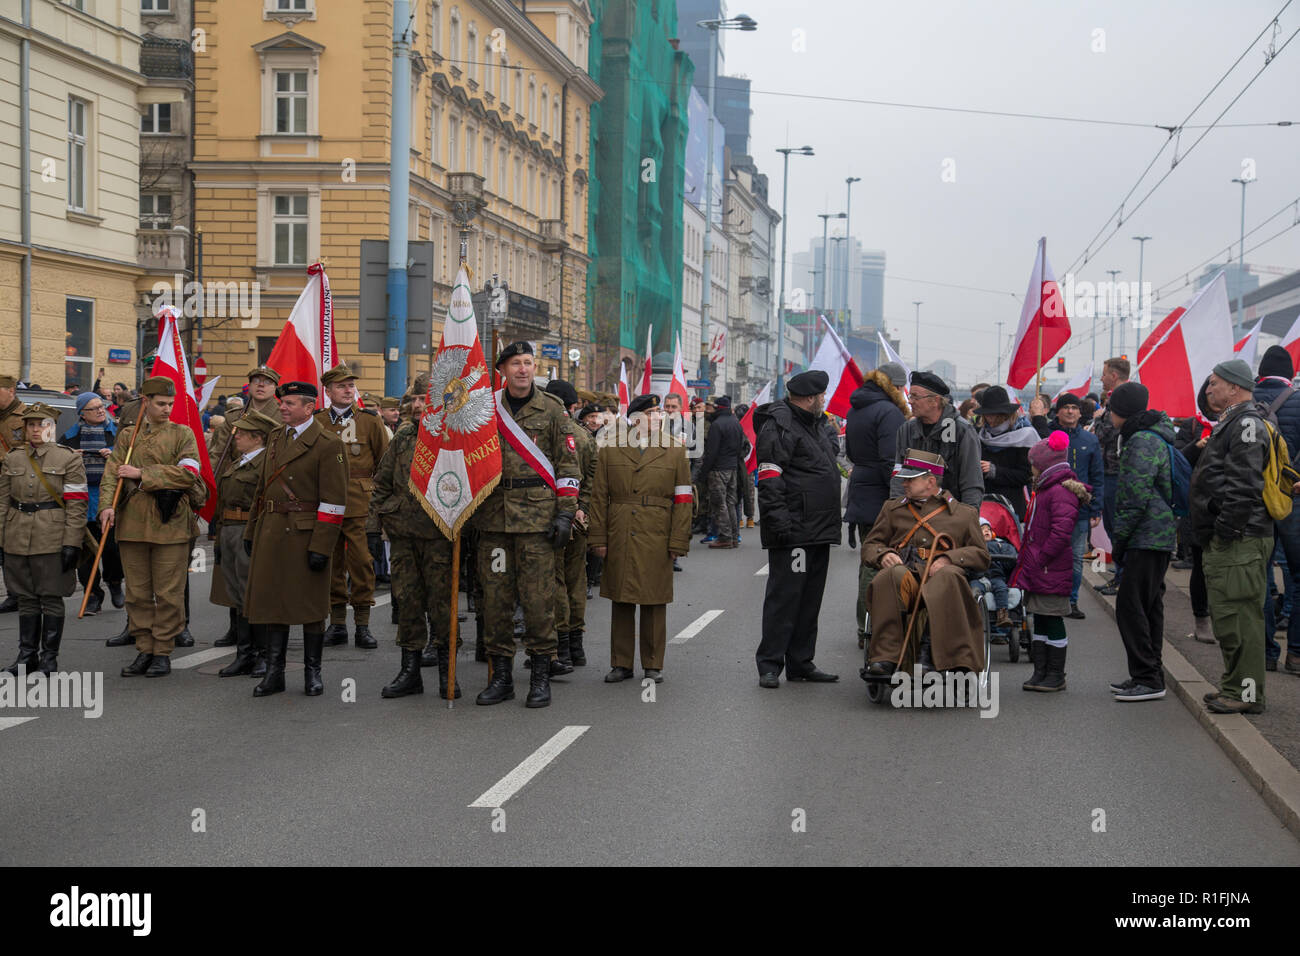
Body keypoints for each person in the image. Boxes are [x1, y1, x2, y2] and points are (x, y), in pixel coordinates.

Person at [472, 341, 579, 708]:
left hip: (537, 520)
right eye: (515, 363)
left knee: (538, 602)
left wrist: (566, 513)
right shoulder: (484, 409)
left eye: (528, 362)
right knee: (496, 602)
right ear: (502, 369)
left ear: (535, 368)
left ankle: (540, 676)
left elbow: (567, 467)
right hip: (495, 520)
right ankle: (501, 677)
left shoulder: (551, 410)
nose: (522, 369)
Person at [243, 381, 349, 697]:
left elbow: (334, 502)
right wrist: (251, 531)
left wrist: (321, 545)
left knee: (310, 607)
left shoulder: (328, 444)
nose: (283, 407)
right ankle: (275, 673)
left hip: (305, 533)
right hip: (272, 530)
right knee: (274, 603)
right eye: (283, 403)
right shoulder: (276, 437)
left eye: (289, 403)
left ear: (308, 407)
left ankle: (312, 673)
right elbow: (261, 491)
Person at [99, 376, 208, 679]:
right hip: (132, 523)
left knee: (169, 594)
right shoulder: (126, 437)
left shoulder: (182, 433)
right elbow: (112, 474)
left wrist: (143, 473)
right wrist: (106, 506)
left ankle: (162, 651)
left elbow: (188, 474)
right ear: (146, 402)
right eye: (161, 403)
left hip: (170, 524)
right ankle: (144, 648)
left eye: (170, 404)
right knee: (137, 594)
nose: (167, 409)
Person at [587, 393, 691, 683]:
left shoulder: (674, 450)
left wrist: (678, 541)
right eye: (653, 412)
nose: (659, 416)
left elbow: (684, 499)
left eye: (659, 412)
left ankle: (653, 663)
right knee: (621, 599)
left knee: (654, 601)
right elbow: (598, 498)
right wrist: (598, 537)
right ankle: (621, 663)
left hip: (658, 531)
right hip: (619, 530)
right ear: (635, 419)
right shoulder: (610, 449)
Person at [862, 449, 990, 676]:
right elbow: (870, 546)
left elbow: (981, 554)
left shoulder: (963, 514)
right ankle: (885, 658)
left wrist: (948, 558)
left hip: (944, 581)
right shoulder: (892, 509)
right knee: (889, 576)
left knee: (946, 576)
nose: (904, 485)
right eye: (904, 480)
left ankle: (931, 656)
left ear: (931, 481)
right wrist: (882, 554)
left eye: (910, 480)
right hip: (906, 578)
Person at [1192, 360, 1273, 714]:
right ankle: (1236, 686)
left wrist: (1225, 530)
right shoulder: (1237, 421)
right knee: (1231, 615)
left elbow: (1244, 487)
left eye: (1214, 384)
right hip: (1236, 537)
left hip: (1239, 539)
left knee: (1239, 617)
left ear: (1235, 388)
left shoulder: (1246, 425)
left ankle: (1246, 693)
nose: (1209, 390)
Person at [371, 372, 458, 699]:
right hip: (403, 533)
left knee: (441, 605)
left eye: (426, 399)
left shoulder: (453, 437)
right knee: (407, 602)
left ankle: (447, 672)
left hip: (439, 535)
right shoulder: (405, 435)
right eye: (415, 400)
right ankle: (410, 670)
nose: (419, 405)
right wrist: (378, 521)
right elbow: (381, 482)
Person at [753, 370, 842, 687]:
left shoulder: (816, 424)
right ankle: (770, 664)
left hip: (818, 529)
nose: (825, 400)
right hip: (794, 532)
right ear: (810, 398)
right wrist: (780, 523)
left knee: (809, 600)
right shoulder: (781, 425)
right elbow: (769, 477)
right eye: (822, 396)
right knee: (785, 599)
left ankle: (801, 662)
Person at [0, 404, 87, 675]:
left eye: (42, 425)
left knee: (50, 597)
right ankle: (27, 656)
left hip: (52, 535)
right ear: (25, 428)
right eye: (31, 425)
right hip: (16, 534)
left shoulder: (68, 459)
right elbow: (2, 501)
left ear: (52, 428)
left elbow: (76, 504)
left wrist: (72, 542)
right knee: (25, 597)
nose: (36, 430)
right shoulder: (12, 458)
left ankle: (49, 657)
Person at [1106, 383, 1176, 701]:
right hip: (1155, 534)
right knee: (1148, 605)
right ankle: (1149, 673)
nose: (1108, 414)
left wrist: (1120, 539)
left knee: (1131, 606)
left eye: (1112, 408)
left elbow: (1134, 496)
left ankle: (1148, 678)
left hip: (1147, 535)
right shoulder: (1150, 435)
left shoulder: (1141, 441)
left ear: (1123, 411)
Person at [315, 362, 390, 649]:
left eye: (351, 385)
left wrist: (380, 506)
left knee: (361, 563)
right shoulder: (318, 422)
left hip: (360, 503)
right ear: (329, 391)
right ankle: (336, 624)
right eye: (341, 386)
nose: (348, 390)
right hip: (326, 503)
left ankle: (362, 624)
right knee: (331, 563)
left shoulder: (370, 421)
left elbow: (384, 465)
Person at [1011, 431, 1089, 692]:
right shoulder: (1046, 489)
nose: (1030, 467)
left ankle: (1056, 674)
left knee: (1053, 618)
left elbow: (1060, 532)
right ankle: (1041, 670)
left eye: (1033, 463)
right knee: (1041, 618)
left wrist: (1040, 558)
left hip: (1049, 567)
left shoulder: (1059, 491)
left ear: (1043, 464)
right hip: (1040, 567)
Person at [844, 362, 909, 647]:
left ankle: (866, 623)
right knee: (881, 561)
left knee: (868, 559)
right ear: (893, 386)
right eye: (901, 387)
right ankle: (870, 626)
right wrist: (898, 500)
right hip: (881, 495)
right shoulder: (888, 412)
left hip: (861, 489)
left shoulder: (856, 407)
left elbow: (850, 451)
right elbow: (890, 460)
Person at [209, 409, 277, 678]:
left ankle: (262, 655)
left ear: (258, 437)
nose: (236, 437)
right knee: (238, 595)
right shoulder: (238, 462)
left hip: (251, 531)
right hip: (230, 530)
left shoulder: (266, 464)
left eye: (242, 433)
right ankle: (244, 654)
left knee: (254, 596)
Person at [1252, 345, 1300, 676]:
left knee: (1260, 576)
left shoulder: (1246, 402)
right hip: (1293, 499)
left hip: (1254, 500)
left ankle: (1266, 652)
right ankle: (1296, 654)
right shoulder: (1298, 399)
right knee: (1298, 575)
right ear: (1291, 373)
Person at [545, 379, 597, 672]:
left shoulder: (549, 433)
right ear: (574, 406)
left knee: (555, 582)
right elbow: (591, 480)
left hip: (552, 515)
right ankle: (576, 647)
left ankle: (559, 647)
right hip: (579, 517)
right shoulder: (585, 436)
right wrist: (583, 509)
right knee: (576, 581)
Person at [60, 391, 124, 615]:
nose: (100, 410)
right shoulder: (69, 438)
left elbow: (130, 458)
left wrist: (114, 455)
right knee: (85, 553)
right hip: (81, 501)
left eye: (101, 406)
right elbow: (56, 465)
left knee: (111, 549)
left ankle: (115, 583)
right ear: (82, 413)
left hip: (110, 498)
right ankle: (93, 594)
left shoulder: (118, 434)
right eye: (94, 408)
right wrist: (69, 458)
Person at [889, 370, 984, 508]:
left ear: (935, 401)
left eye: (915, 397)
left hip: (949, 515)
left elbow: (971, 483)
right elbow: (898, 475)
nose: (909, 401)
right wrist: (896, 510)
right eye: (910, 396)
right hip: (912, 514)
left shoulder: (962, 431)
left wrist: (967, 520)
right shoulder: (907, 430)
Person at [1051, 392, 1105, 619]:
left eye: (1074, 407)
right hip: (1053, 508)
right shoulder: (1049, 436)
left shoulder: (1090, 440)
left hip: (1080, 511)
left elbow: (1097, 475)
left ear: (1080, 412)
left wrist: (1096, 508)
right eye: (1066, 407)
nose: (1070, 411)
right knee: (1052, 555)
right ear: (1059, 411)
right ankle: (1051, 597)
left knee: (1075, 558)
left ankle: (1071, 601)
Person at [1092, 357, 1130, 596]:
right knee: (1113, 527)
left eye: (1104, 374)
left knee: (1116, 528)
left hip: (1114, 472)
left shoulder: (1120, 400)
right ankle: (1120, 575)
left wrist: (1096, 421)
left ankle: (1122, 577)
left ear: (1114, 376)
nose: (1101, 378)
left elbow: (1107, 433)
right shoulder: (1123, 397)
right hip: (1113, 471)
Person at [973, 385, 1039, 518]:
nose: (990, 419)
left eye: (994, 414)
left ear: (1004, 414)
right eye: (987, 414)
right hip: (983, 506)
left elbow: (1026, 476)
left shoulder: (1024, 435)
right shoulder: (979, 433)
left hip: (1011, 508)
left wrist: (995, 471)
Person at [698, 395, 743, 548]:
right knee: (731, 503)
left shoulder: (717, 425)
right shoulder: (736, 423)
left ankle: (724, 537)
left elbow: (711, 452)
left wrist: (703, 473)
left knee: (719, 504)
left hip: (718, 469)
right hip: (732, 468)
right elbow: (740, 448)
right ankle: (734, 537)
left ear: (719, 408)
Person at [972, 517, 1018, 627]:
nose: (987, 531)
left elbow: (1011, 561)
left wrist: (1008, 558)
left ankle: (1002, 615)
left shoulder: (1000, 544)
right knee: (974, 590)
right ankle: (974, 615)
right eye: (982, 529)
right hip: (979, 577)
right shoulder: (973, 546)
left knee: (1002, 588)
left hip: (996, 576)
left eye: (988, 529)